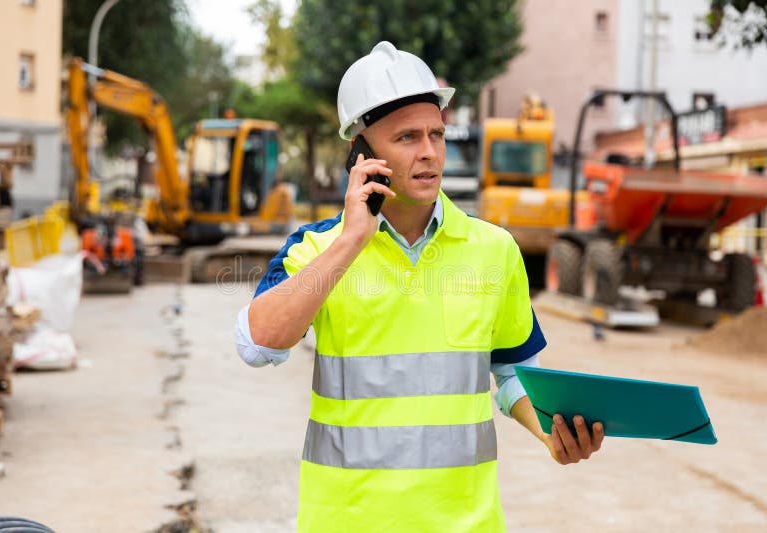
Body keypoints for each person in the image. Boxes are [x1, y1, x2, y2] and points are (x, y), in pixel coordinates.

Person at [236, 41, 604, 533]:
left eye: (437, 134)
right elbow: (256, 344)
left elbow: (515, 375)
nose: (429, 152)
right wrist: (351, 241)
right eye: (407, 137)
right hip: (346, 523)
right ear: (362, 153)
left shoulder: (493, 250)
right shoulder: (317, 248)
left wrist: (551, 435)